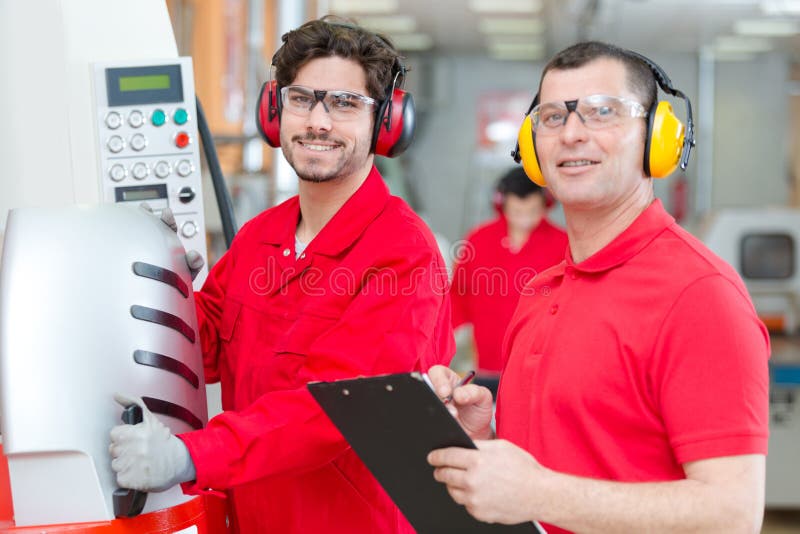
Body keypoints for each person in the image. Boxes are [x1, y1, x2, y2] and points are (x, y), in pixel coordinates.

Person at [109, 17, 454, 533]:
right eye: (302, 99)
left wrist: (190, 456)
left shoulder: (402, 254)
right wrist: (162, 280)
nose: (319, 121)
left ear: (384, 122)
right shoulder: (260, 237)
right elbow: (198, 351)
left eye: (344, 103)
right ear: (275, 111)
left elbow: (340, 409)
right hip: (250, 519)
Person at [426, 41, 769, 533]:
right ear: (532, 146)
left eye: (601, 113)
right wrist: (485, 439)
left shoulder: (698, 294)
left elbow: (731, 516)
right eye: (550, 117)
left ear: (656, 138)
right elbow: (567, 465)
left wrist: (539, 493)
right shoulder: (543, 290)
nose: (571, 134)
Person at [450, 167, 566, 396]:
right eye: (516, 211)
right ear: (502, 204)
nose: (524, 218)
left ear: (546, 204)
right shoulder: (479, 239)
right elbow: (457, 295)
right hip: (485, 363)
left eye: (532, 211)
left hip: (539, 367)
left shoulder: (563, 243)